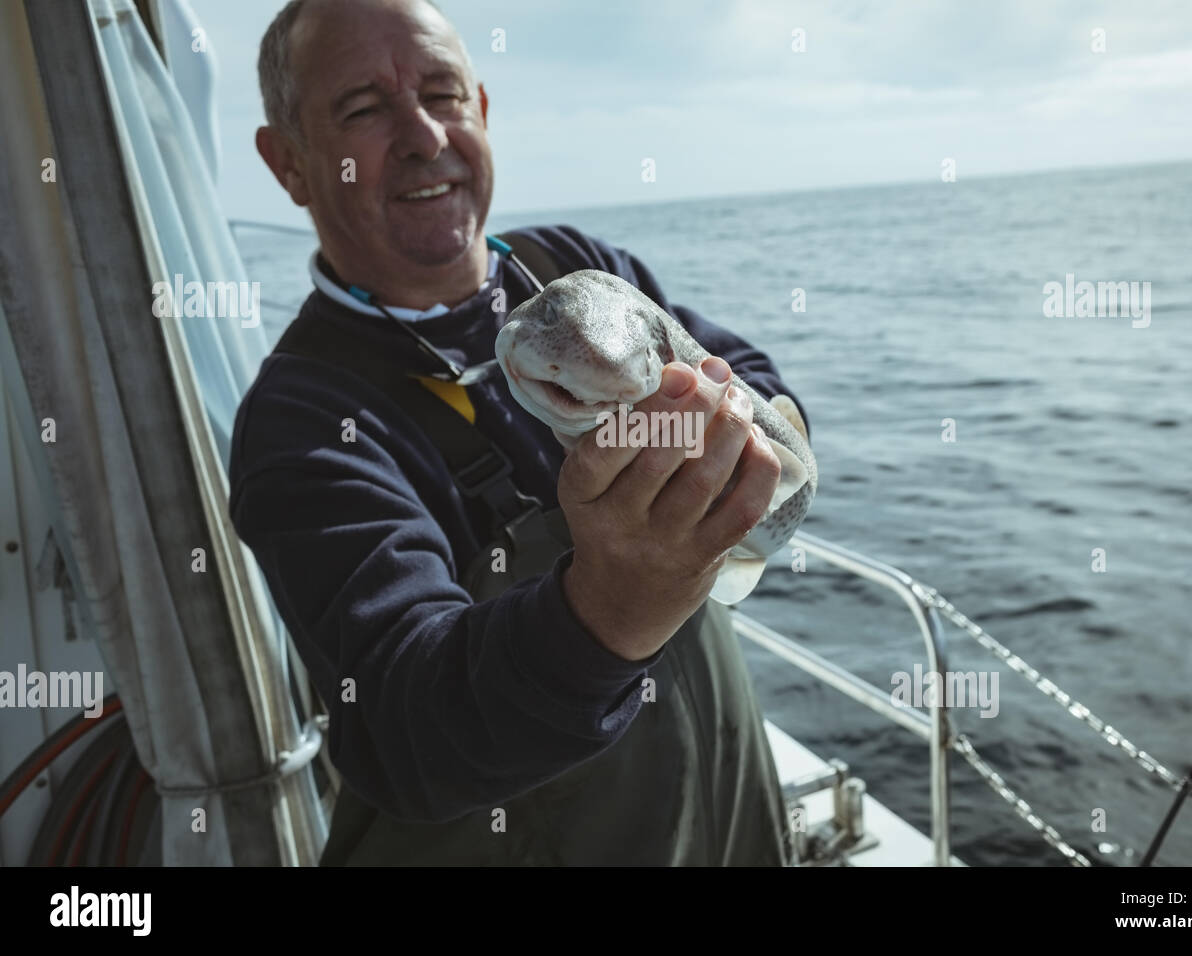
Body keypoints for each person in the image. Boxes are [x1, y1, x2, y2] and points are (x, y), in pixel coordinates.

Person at [229, 0, 810, 865]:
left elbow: (749, 374)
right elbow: (405, 730)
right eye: (363, 108)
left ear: (484, 111)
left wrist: (747, 450)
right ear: (290, 165)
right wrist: (615, 604)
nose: (424, 135)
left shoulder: (575, 264)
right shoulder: (302, 421)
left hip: (726, 819)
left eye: (444, 93)